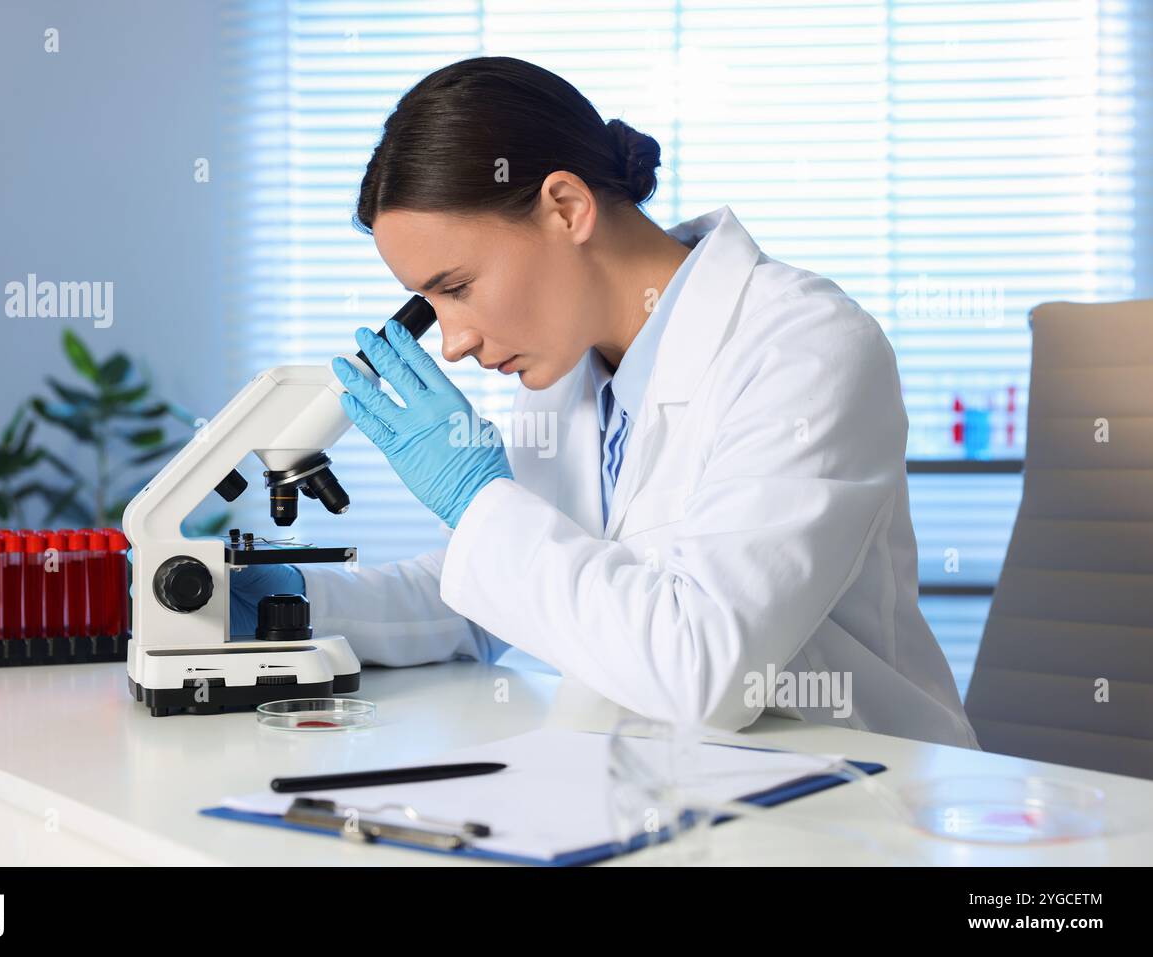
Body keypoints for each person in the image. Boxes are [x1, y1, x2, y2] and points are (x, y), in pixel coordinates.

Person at [233, 56, 978, 749]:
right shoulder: (567, 368)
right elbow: (498, 591)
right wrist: (296, 603)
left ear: (565, 206)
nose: (451, 341)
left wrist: (478, 497)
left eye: (455, 288)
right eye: (427, 304)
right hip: (659, 785)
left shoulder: (803, 347)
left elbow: (704, 666)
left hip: (848, 795)